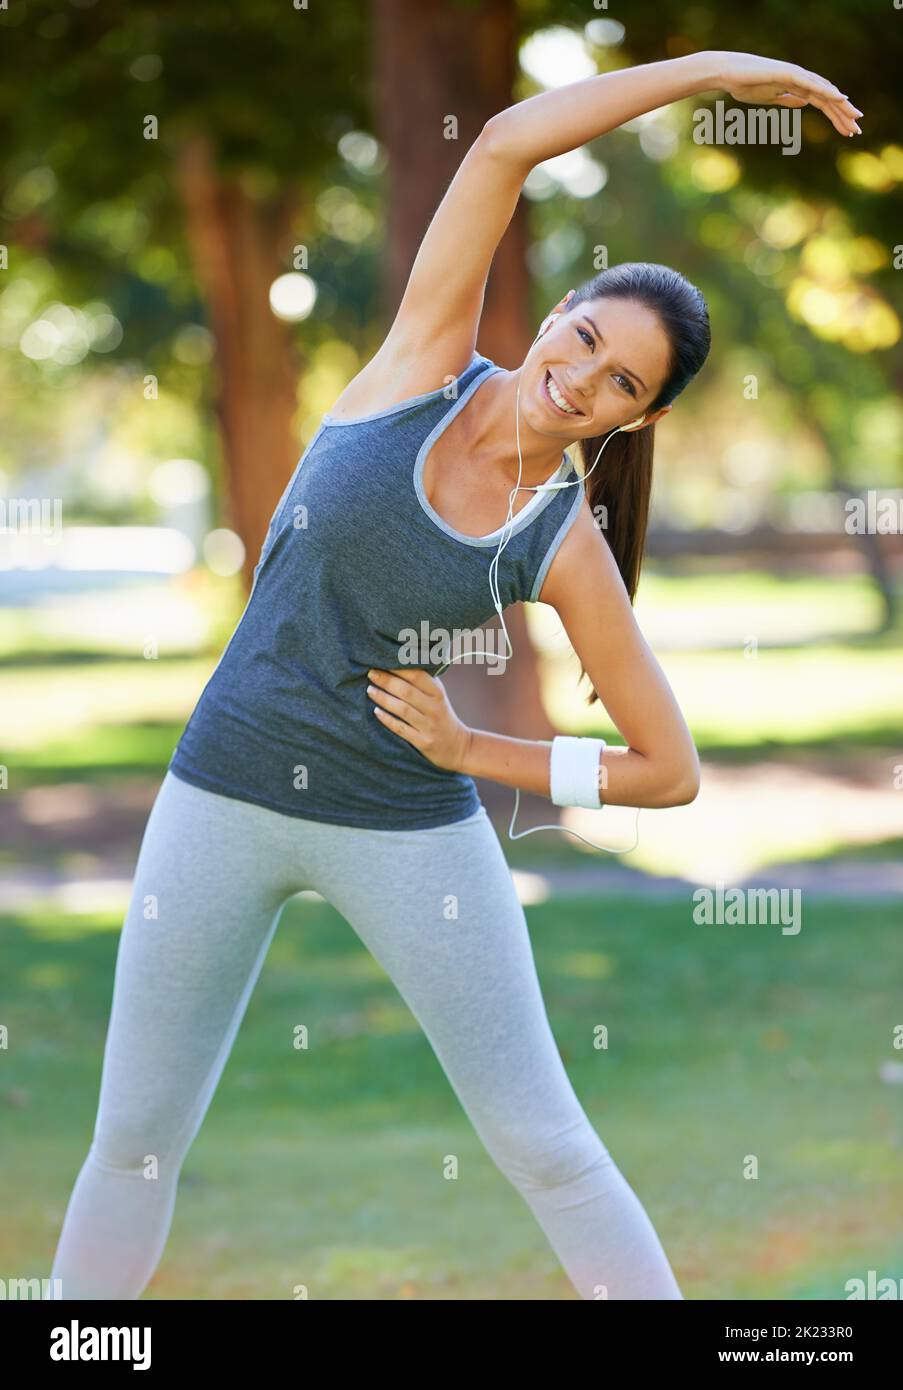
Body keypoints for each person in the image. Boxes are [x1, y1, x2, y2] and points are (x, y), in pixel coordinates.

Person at [48, 50, 860, 1301]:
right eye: (585, 337)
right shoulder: (422, 363)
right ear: (553, 316)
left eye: (622, 383)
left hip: (407, 828)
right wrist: (714, 70)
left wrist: (477, 754)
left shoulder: (562, 540)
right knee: (134, 1137)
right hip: (222, 791)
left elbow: (670, 770)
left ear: (634, 418)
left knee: (548, 1146)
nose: (583, 376)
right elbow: (505, 145)